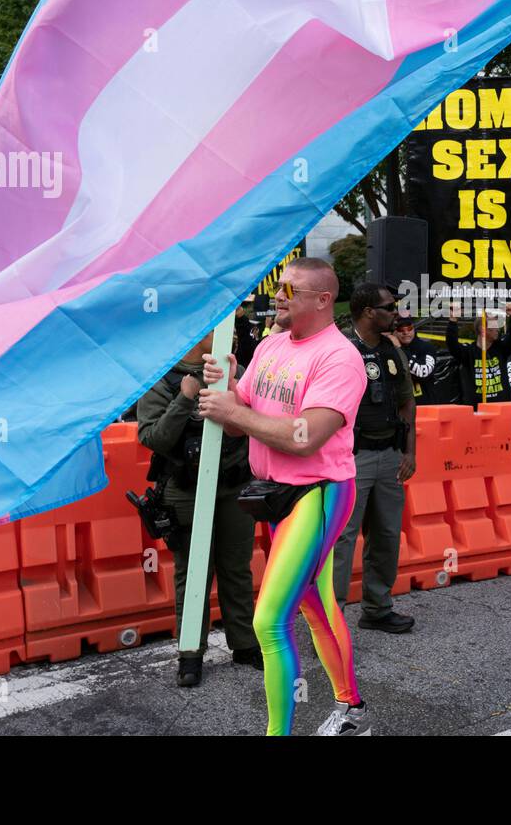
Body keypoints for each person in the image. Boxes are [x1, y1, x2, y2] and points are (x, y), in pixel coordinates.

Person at [198, 257, 369, 736]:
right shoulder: (272, 345)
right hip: (274, 496)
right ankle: (352, 710)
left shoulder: (339, 357)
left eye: (290, 289)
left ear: (322, 299)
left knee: (270, 620)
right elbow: (245, 410)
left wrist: (233, 409)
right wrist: (227, 386)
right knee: (316, 604)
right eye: (278, 287)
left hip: (318, 494)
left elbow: (303, 436)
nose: (278, 296)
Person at [136, 330, 260, 687]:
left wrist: (233, 384)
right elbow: (153, 438)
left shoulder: (234, 370)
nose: (232, 333)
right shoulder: (161, 379)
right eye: (219, 326)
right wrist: (185, 398)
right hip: (186, 489)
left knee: (237, 567)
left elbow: (254, 419)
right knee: (192, 573)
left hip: (233, 486)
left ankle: (245, 644)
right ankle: (191, 652)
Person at [332, 283, 417, 634]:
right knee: (342, 539)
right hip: (350, 458)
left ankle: (377, 607)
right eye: (389, 306)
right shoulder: (338, 348)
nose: (395, 312)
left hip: (389, 456)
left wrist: (410, 451)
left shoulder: (390, 350)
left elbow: (407, 403)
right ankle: (331, 618)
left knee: (385, 535)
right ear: (368, 311)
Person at [444, 304, 511, 404]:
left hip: (501, 406)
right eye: (494, 325)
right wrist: (453, 319)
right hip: (477, 409)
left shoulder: (501, 348)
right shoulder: (468, 352)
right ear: (482, 329)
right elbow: (452, 344)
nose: (498, 329)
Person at [392, 312, 455, 405]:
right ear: (395, 332)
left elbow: (423, 373)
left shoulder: (426, 348)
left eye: (409, 328)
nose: (406, 332)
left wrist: (399, 349)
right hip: (399, 404)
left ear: (414, 328)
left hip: (424, 404)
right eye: (401, 329)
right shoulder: (390, 349)